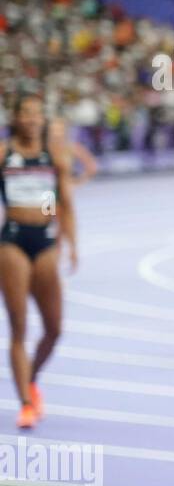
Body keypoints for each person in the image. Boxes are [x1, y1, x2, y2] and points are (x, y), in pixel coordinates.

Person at [1, 93, 77, 429]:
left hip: (45, 241)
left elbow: (67, 204)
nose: (32, 119)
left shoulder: (53, 156)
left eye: (38, 114)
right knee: (19, 327)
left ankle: (30, 378)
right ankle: (26, 403)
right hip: (13, 241)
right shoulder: (4, 154)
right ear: (16, 118)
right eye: (26, 113)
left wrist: (72, 243)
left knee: (54, 328)